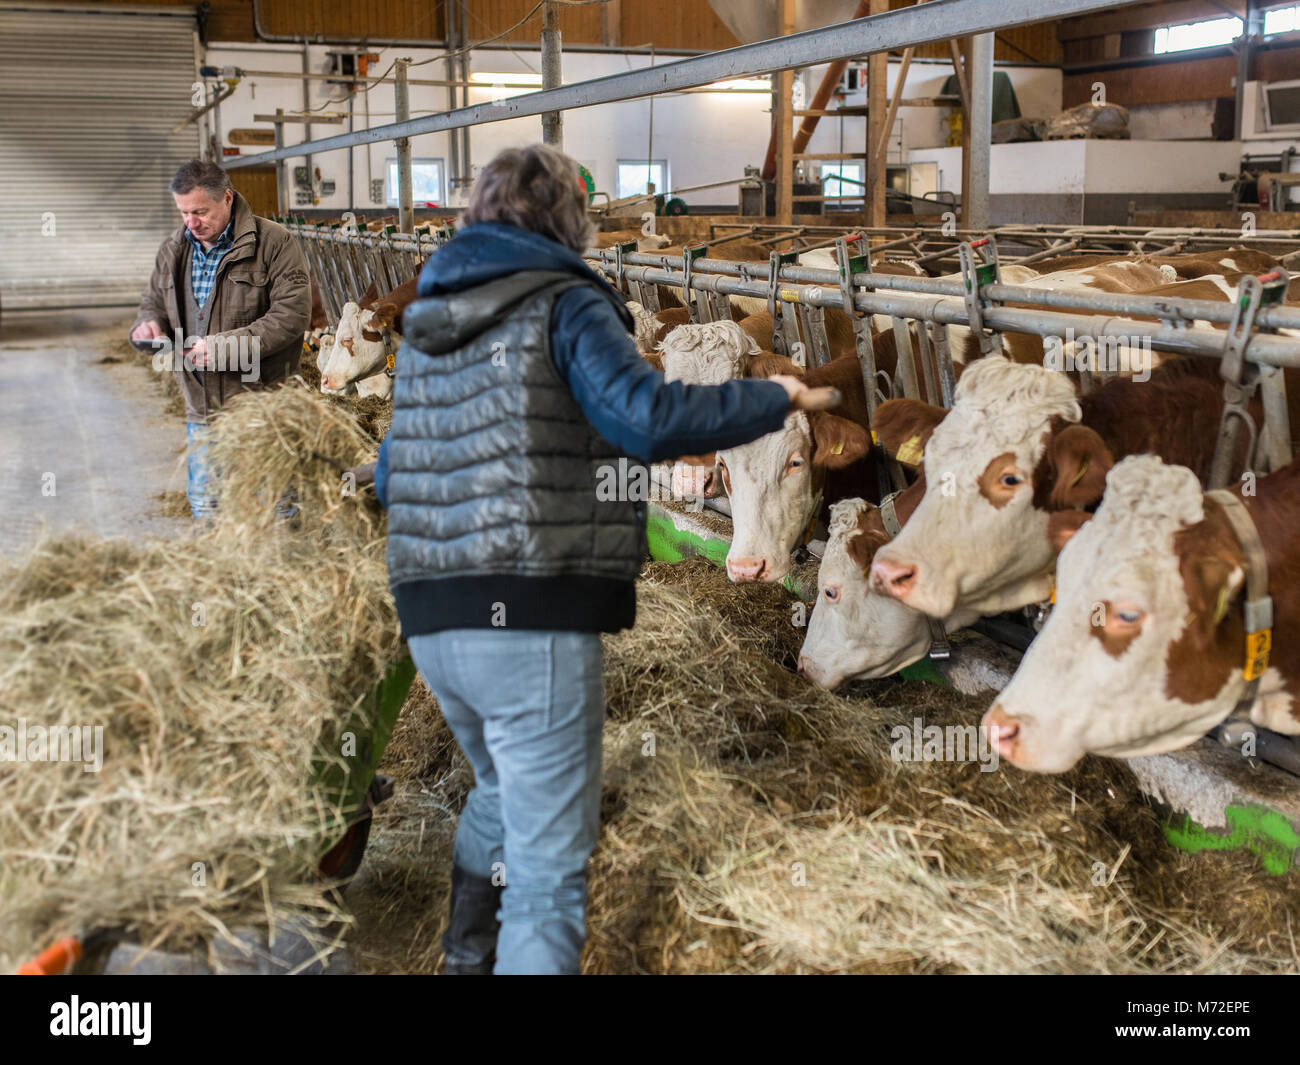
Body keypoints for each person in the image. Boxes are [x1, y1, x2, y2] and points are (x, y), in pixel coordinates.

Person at [372, 143, 830, 975]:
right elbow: (645, 419)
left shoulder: (434, 315)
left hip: (431, 613)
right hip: (528, 612)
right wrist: (773, 397)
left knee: (501, 793)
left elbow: (389, 469)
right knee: (548, 877)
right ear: (570, 221)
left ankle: (463, 960)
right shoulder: (568, 302)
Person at [131, 159, 312, 518]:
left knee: (276, 500)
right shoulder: (173, 250)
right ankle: (218, 564)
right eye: (184, 212)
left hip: (262, 401)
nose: (191, 222)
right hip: (201, 402)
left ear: (227, 198)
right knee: (205, 500)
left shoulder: (275, 243)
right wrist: (147, 323)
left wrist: (224, 347)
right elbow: (153, 300)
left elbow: (292, 315)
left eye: (200, 211)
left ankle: (282, 565)